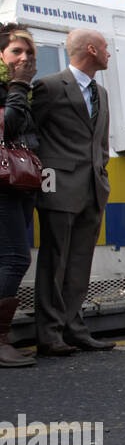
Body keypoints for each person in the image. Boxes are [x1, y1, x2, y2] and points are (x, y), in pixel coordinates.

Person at [31, 28, 115, 356]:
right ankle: (49, 335)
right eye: (105, 48)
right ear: (91, 50)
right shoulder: (50, 87)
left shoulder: (102, 93)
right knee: (55, 262)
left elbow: (100, 142)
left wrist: (102, 175)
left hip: (93, 189)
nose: (109, 53)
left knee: (80, 262)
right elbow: (31, 133)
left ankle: (73, 328)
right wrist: (47, 173)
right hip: (59, 187)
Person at [0, 24, 40, 366]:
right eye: (16, 52)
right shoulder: (13, 87)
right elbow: (8, 127)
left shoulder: (20, 89)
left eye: (29, 53)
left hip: (19, 184)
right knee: (15, 259)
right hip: (3, 185)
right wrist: (19, 85)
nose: (24, 58)